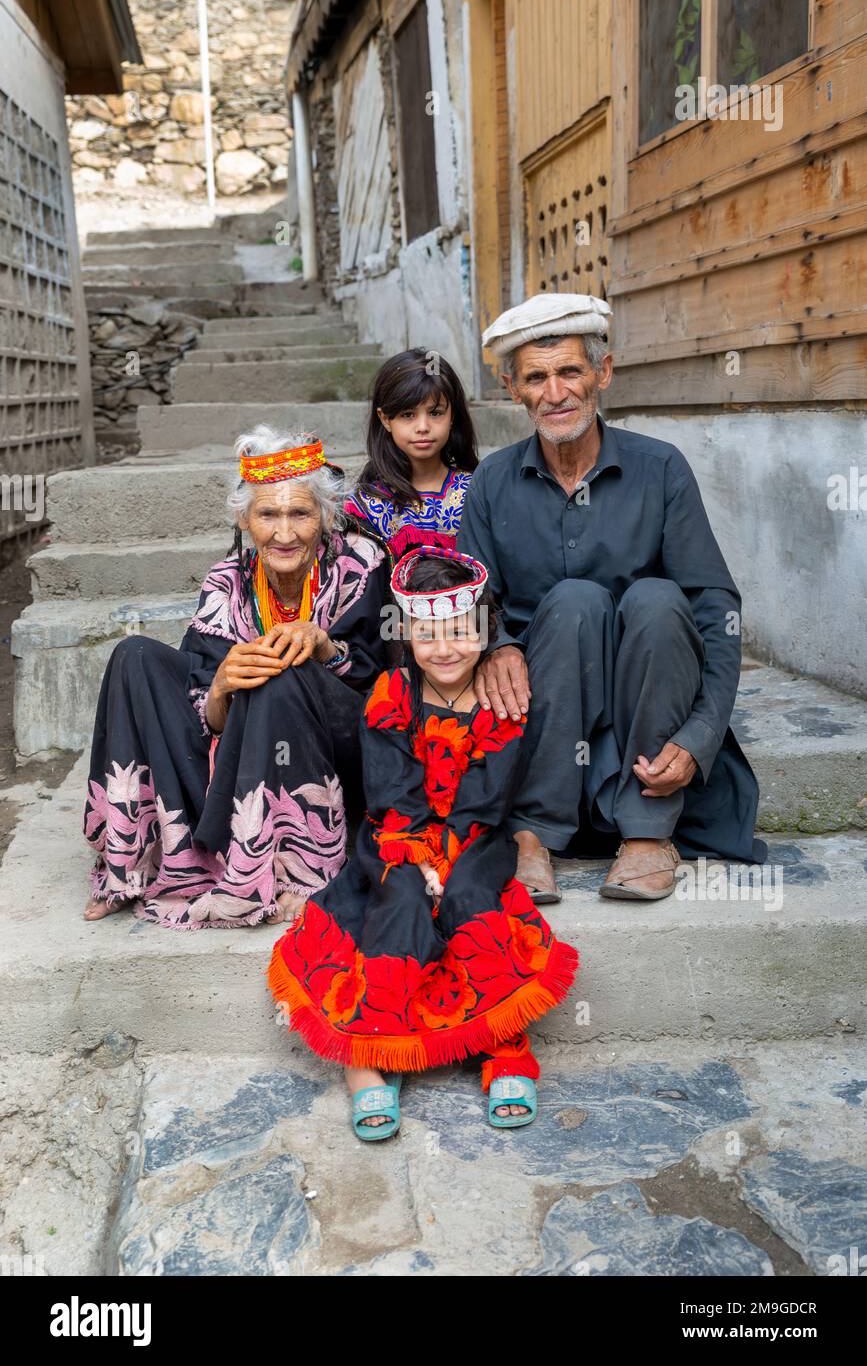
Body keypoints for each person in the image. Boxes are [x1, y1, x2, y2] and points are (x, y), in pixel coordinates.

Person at [456, 292, 767, 904]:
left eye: (570, 371)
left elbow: (716, 609)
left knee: (655, 598)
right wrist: (498, 645)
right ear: (512, 388)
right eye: (536, 377)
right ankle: (532, 833)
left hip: (647, 709)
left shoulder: (660, 468)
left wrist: (702, 734)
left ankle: (648, 832)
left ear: (603, 372)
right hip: (546, 711)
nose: (555, 393)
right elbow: (474, 596)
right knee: (574, 602)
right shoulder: (493, 480)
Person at [267, 547, 580, 1139]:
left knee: (471, 902)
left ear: (485, 632)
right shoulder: (390, 693)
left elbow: (487, 797)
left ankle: (500, 1047)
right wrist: (416, 856)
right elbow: (391, 793)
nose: (446, 649)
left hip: (475, 836)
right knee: (401, 901)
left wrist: (450, 859)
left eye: (461, 633)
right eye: (429, 635)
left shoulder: (499, 704)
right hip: (396, 834)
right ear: (406, 634)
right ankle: (369, 1056)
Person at [83, 425, 390, 929]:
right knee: (133, 655)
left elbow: (384, 684)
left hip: (343, 753)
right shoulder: (225, 582)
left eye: (301, 513)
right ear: (244, 518)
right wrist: (224, 683)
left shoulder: (360, 565)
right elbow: (209, 720)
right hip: (237, 760)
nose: (285, 533)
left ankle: (298, 870)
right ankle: (131, 866)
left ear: (326, 517)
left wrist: (324, 646)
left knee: (282, 671)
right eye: (268, 514)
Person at [344, 347, 478, 560]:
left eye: (435, 413)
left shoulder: (477, 490)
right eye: (408, 415)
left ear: (453, 415)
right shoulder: (368, 504)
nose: (423, 427)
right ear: (385, 419)